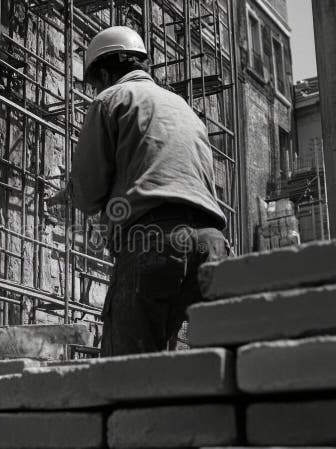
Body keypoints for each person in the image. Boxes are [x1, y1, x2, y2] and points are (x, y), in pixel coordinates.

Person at [48, 26, 232, 356]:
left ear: (104, 73)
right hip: (212, 245)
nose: (95, 90)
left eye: (94, 83)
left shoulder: (111, 100)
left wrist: (73, 193)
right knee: (208, 368)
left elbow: (89, 192)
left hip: (153, 242)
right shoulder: (182, 107)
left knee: (127, 371)